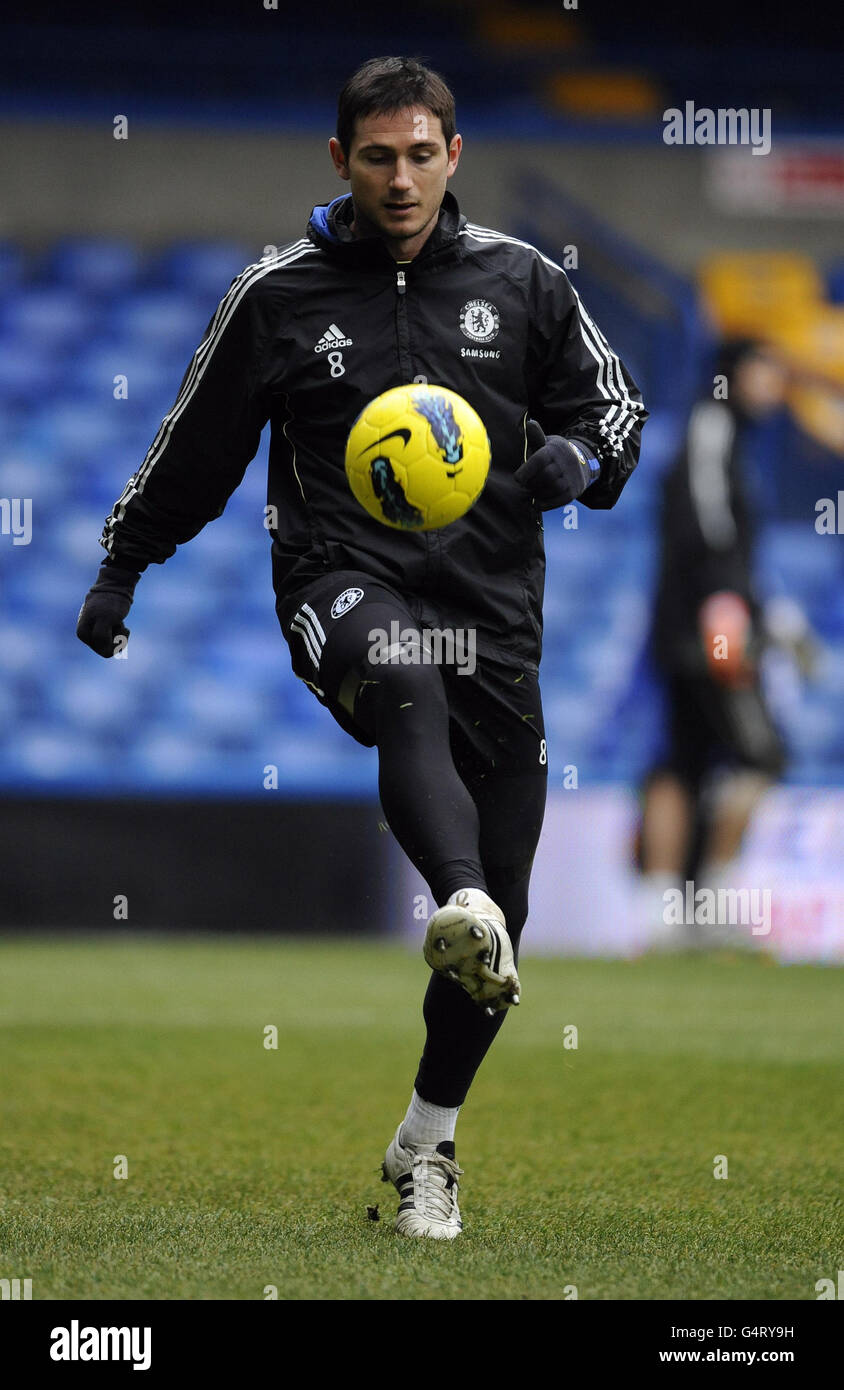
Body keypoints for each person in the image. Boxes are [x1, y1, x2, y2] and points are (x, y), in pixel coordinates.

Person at [77, 56, 646, 1238]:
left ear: (454, 154)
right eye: (377, 156)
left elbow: (616, 408)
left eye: (420, 154)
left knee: (501, 940)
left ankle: (427, 1144)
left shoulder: (528, 283)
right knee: (402, 675)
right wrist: (124, 563)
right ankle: (457, 894)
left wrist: (578, 464)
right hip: (341, 588)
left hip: (495, 620)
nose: (400, 178)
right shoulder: (275, 295)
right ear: (339, 161)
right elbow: (197, 446)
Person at [638, 338, 791, 946]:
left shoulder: (729, 434)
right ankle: (715, 896)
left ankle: (668, 907)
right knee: (761, 755)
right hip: (710, 629)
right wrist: (729, 605)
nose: (775, 385)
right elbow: (709, 527)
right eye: (766, 369)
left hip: (690, 623)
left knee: (685, 757)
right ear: (734, 374)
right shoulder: (712, 424)